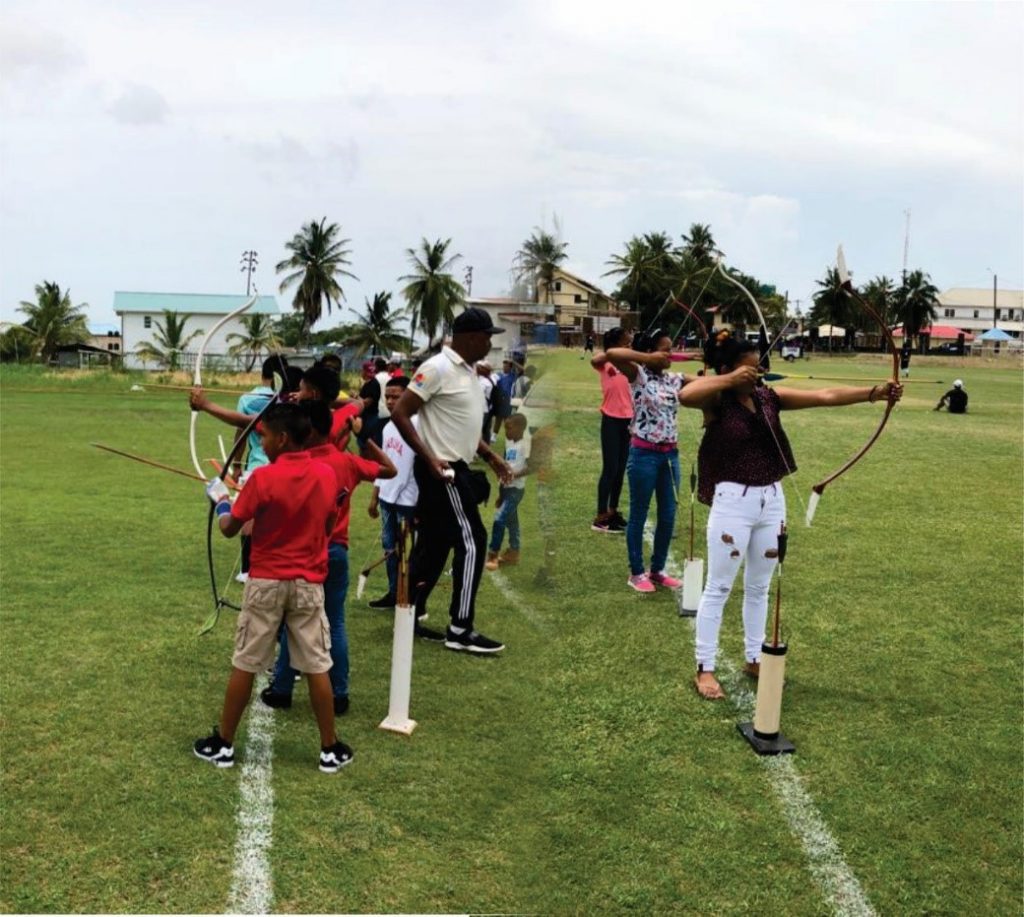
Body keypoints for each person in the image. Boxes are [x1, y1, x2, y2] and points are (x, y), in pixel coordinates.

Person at [680, 332, 903, 700]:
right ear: (729, 370)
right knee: (719, 587)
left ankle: (754, 657)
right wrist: (730, 380)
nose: (758, 374)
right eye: (750, 369)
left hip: (771, 499)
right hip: (732, 501)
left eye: (758, 368)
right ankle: (704, 669)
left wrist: (875, 392)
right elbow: (686, 394)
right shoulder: (715, 400)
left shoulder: (769, 397)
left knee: (759, 586)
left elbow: (824, 396)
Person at [193, 403, 353, 773]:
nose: (261, 442)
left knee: (246, 662)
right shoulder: (326, 475)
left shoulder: (263, 478)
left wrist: (220, 502)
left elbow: (231, 527)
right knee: (316, 665)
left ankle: (223, 744)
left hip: (266, 582)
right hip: (308, 585)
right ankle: (330, 747)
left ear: (282, 438)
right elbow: (327, 525)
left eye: (263, 436)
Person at [258, 400, 395, 715]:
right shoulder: (345, 461)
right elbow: (390, 469)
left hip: (306, 552)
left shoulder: (302, 465)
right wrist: (365, 439)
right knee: (334, 622)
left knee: (293, 620)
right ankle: (339, 694)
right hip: (336, 552)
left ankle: (281, 690)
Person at [390, 307, 513, 654]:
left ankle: (406, 615)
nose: (490, 343)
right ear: (471, 338)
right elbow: (401, 413)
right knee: (473, 539)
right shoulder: (437, 368)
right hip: (442, 471)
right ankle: (460, 629)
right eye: (488, 337)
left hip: (453, 466)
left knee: (434, 545)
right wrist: (429, 458)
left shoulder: (469, 371)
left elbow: (463, 425)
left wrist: (490, 456)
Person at [606, 329, 695, 594]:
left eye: (671, 349)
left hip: (670, 456)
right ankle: (636, 572)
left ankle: (657, 570)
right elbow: (612, 354)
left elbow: (706, 383)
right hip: (644, 454)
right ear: (650, 351)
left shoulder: (674, 379)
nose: (669, 354)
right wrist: (648, 357)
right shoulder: (638, 375)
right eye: (664, 349)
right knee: (639, 513)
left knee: (667, 515)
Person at [229, 355, 289, 582]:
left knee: (248, 518)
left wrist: (236, 465)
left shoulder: (248, 399)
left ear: (263, 374)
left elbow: (240, 435)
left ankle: (247, 569)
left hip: (256, 467)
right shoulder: (287, 400)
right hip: (283, 468)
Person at [367, 376, 418, 608]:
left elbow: (406, 467)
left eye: (395, 396)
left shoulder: (415, 424)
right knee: (389, 548)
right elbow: (384, 464)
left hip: (406, 501)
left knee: (405, 552)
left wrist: (394, 497)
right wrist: (375, 496)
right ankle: (392, 592)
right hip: (388, 499)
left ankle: (406, 597)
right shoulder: (388, 426)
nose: (389, 401)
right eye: (386, 397)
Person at [590, 327, 634, 534]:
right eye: (626, 342)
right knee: (610, 469)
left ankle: (612, 511)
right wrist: (615, 352)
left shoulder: (631, 365)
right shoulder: (605, 362)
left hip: (628, 421)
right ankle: (600, 517)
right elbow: (595, 359)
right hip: (611, 420)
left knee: (620, 469)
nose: (629, 345)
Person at [485, 413, 530, 570]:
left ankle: (493, 554)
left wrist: (514, 475)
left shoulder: (526, 444)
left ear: (520, 428)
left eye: (509, 428)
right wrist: (501, 494)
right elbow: (505, 471)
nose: (506, 432)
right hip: (506, 490)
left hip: (516, 490)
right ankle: (514, 552)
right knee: (512, 521)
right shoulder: (509, 444)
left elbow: (531, 467)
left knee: (499, 519)